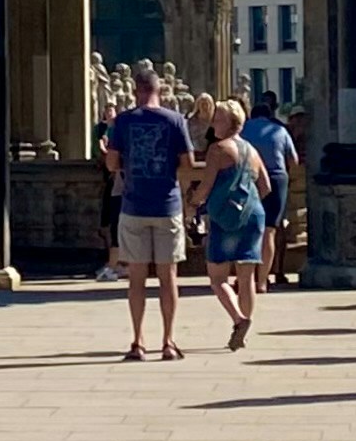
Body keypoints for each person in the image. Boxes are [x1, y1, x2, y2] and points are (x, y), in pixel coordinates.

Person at [103, 65, 197, 362]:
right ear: (160, 90)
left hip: (133, 206)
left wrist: (122, 163)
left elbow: (111, 164)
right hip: (167, 204)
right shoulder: (176, 120)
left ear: (135, 91)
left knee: (137, 278)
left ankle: (138, 340)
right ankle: (168, 341)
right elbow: (188, 164)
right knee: (168, 277)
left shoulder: (122, 122)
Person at [194, 99, 271, 349]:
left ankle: (238, 320)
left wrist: (193, 201)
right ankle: (245, 326)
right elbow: (266, 187)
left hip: (226, 217)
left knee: (218, 277)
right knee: (246, 276)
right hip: (253, 214)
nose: (213, 122)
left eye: (219, 118)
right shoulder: (252, 150)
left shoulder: (218, 150)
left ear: (231, 123)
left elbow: (205, 186)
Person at [240, 91, 299, 285]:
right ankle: (263, 281)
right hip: (276, 177)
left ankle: (247, 277)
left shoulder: (243, 129)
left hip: (250, 178)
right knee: (269, 230)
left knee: (248, 227)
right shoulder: (279, 130)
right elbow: (294, 160)